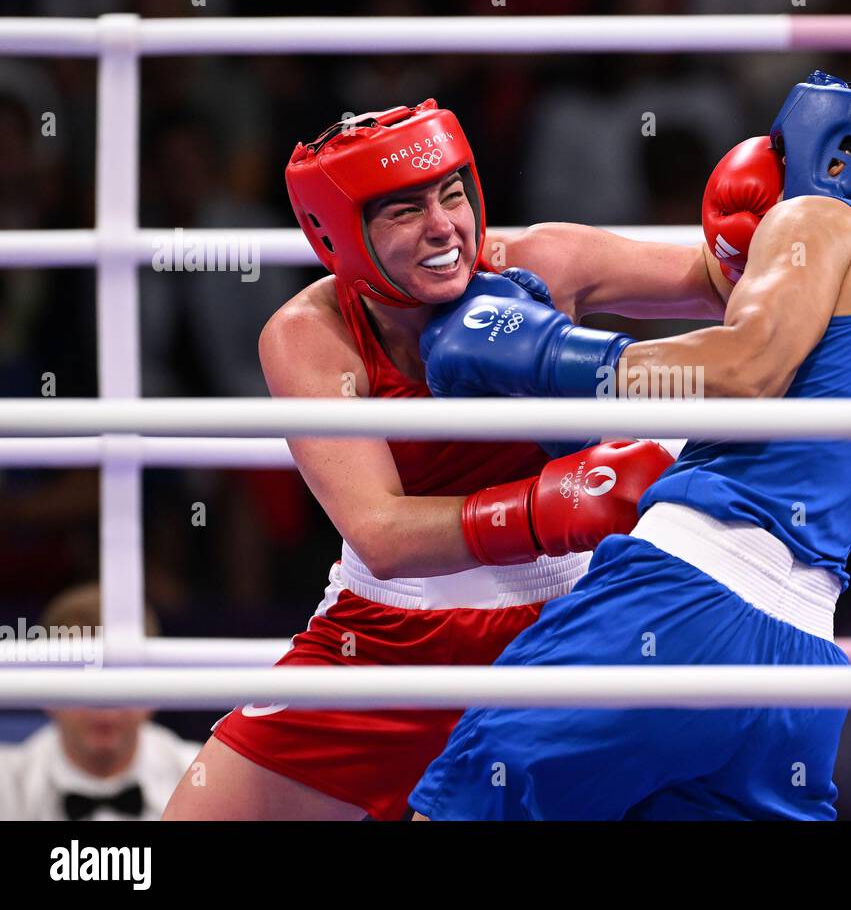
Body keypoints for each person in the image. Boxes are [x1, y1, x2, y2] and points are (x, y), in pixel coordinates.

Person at [409, 73, 851, 819]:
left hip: (681, 603)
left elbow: (746, 369)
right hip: (802, 666)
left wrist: (555, 356)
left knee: (456, 810)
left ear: (842, 151)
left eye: (783, 146)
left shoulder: (821, 219)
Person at [163, 99, 724, 821]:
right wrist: (553, 505)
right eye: (403, 209)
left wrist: (809, 219)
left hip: (567, 622)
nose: (443, 228)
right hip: (386, 635)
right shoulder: (312, 335)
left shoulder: (541, 262)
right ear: (337, 235)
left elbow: (723, 281)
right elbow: (383, 535)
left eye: (452, 194)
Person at [0, 585, 200, 821]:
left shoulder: (204, 776)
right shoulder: (6, 783)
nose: (104, 701)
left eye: (119, 678)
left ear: (153, 689)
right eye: (83, 678)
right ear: (45, 687)